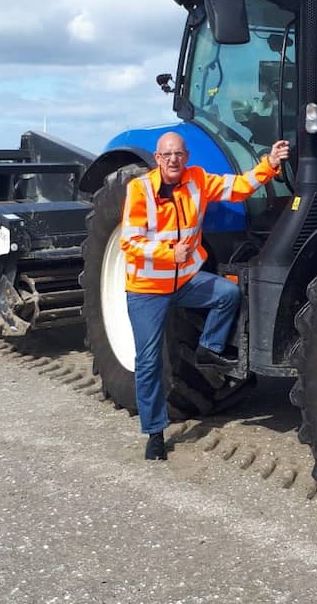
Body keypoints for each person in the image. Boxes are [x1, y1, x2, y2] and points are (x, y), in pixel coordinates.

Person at [121, 132, 290, 460]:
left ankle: (209, 348)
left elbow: (238, 188)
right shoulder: (139, 190)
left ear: (186, 158)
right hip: (147, 289)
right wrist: (171, 252)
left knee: (227, 294)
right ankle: (154, 431)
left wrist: (269, 164)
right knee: (148, 361)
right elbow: (130, 242)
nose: (173, 160)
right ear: (157, 159)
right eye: (167, 155)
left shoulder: (197, 179)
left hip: (184, 281)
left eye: (179, 154)